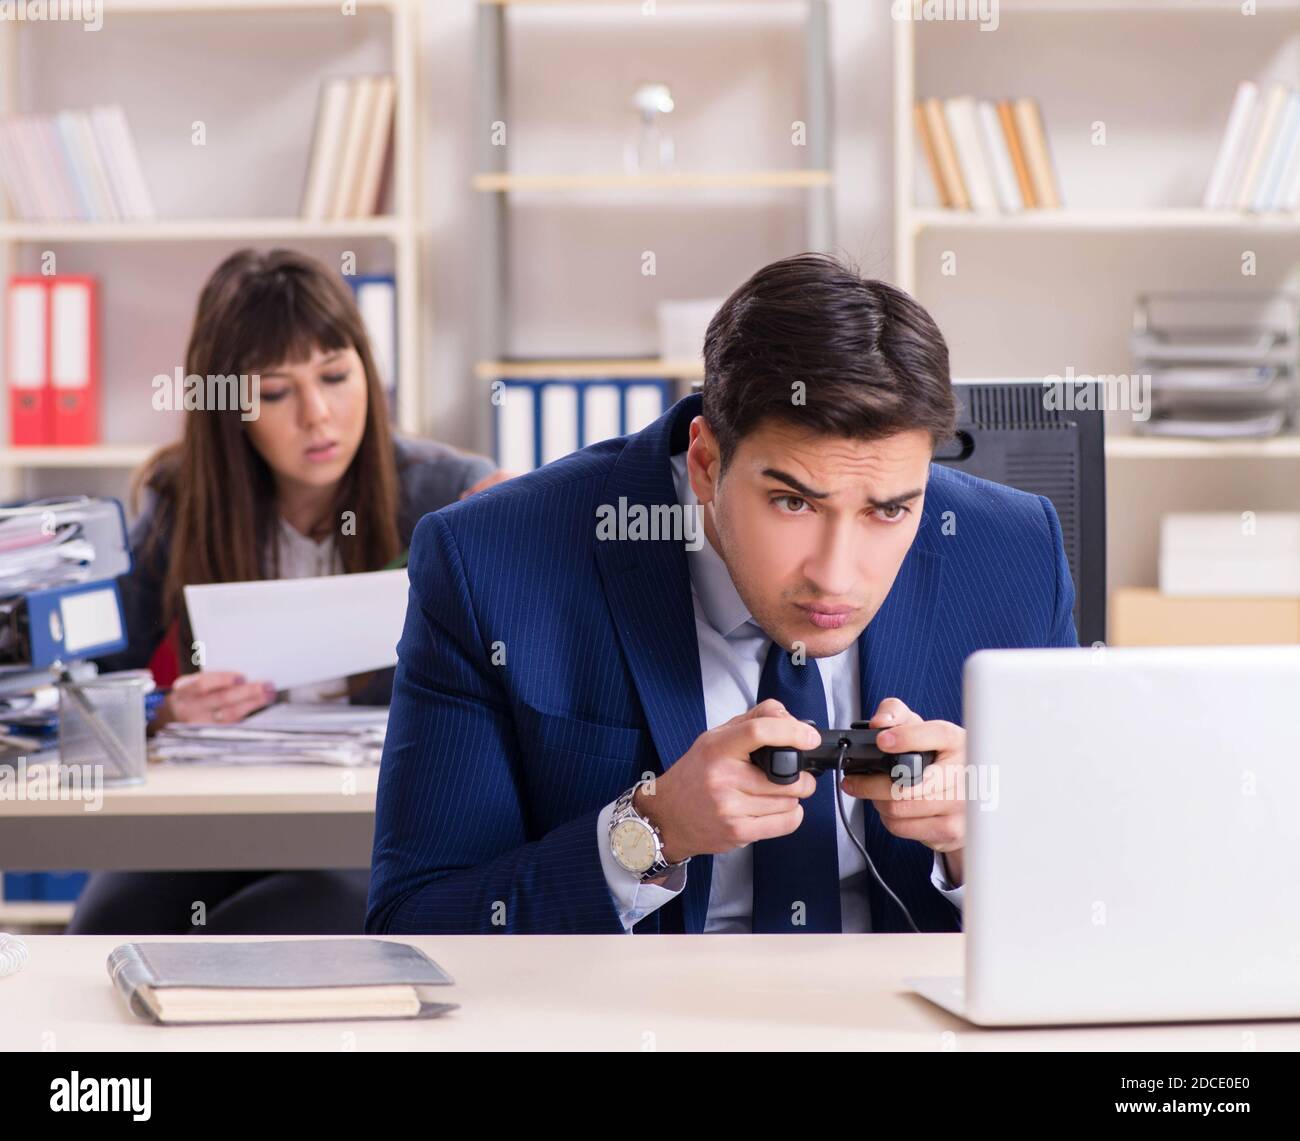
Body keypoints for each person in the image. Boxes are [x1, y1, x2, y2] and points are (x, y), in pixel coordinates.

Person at [366, 252, 1078, 936]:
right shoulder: (490, 563)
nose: (836, 575)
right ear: (706, 463)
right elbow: (421, 926)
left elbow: (1098, 908)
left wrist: (980, 846)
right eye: (793, 503)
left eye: (888, 511)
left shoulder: (1014, 553)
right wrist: (651, 831)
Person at [68, 248, 501, 936]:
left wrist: (529, 542)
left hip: (383, 824)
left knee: (256, 931)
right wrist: (162, 707)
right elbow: (95, 677)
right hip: (224, 814)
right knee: (103, 931)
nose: (318, 415)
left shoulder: (447, 492)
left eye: (335, 375)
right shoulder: (181, 499)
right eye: (275, 392)